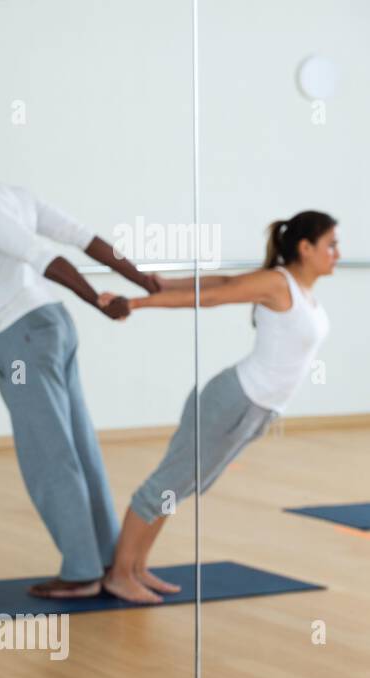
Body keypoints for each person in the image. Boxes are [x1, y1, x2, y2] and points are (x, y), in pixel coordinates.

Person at [0, 120, 160, 598]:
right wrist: (141, 278)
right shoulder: (13, 196)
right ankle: (109, 561)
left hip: (22, 336)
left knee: (49, 454)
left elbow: (43, 255)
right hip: (52, 326)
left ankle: (81, 573)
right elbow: (83, 236)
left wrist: (102, 301)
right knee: (78, 448)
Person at [100, 211, 336, 602]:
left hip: (254, 410)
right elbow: (213, 295)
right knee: (166, 484)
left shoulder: (303, 293)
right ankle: (119, 574)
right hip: (232, 402)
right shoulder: (279, 283)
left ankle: (138, 567)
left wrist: (166, 282)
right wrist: (138, 303)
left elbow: (224, 282)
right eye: (331, 244)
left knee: (180, 487)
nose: (337, 253)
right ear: (305, 247)